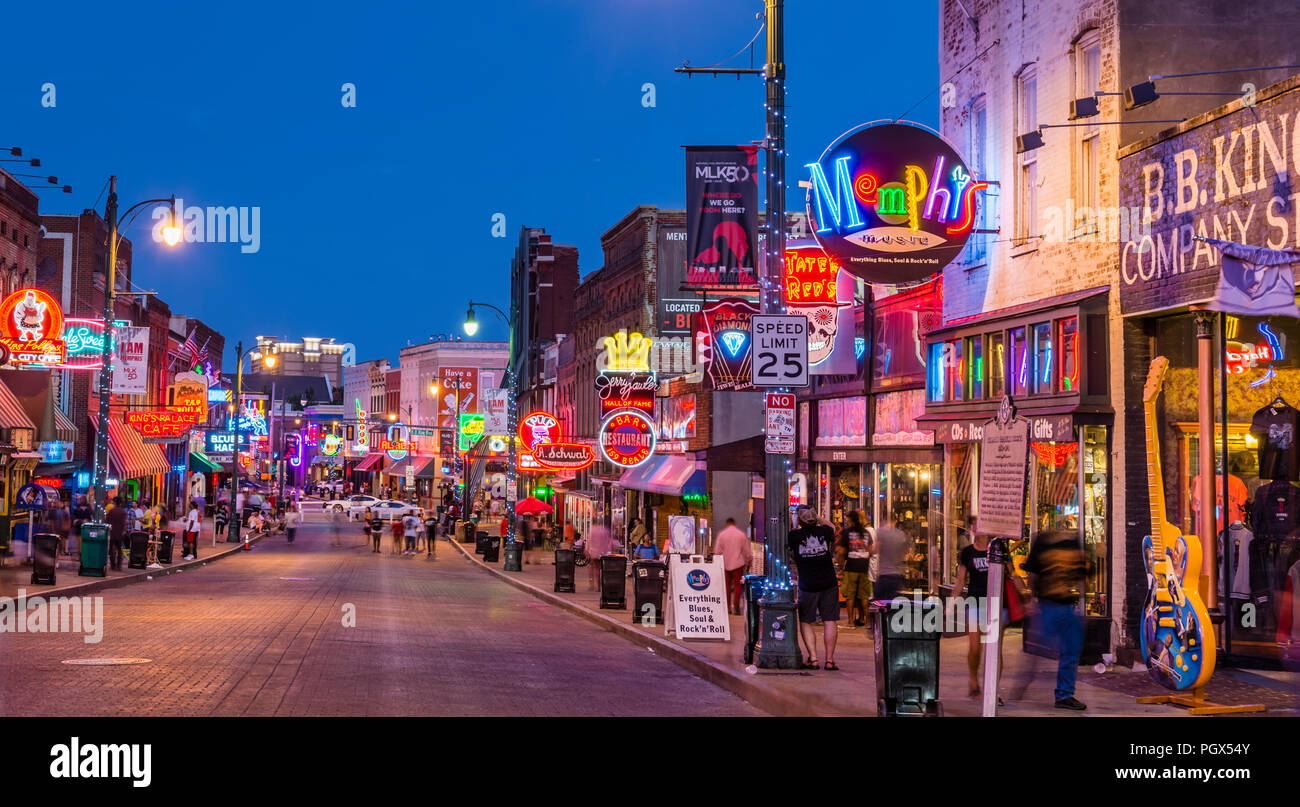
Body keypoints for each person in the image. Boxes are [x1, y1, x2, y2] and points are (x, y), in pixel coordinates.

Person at [1022, 530, 1095, 711]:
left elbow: (1083, 574)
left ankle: (1064, 695)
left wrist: (1084, 605)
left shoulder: (1075, 542)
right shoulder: (1043, 541)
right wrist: (1031, 599)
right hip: (1047, 605)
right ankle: (1026, 678)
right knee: (1039, 648)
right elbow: (1033, 573)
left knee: (1071, 650)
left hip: (1068, 606)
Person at [952, 531, 1007, 699]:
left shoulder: (999, 548)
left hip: (997, 602)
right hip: (975, 602)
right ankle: (973, 678)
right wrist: (953, 600)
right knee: (975, 646)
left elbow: (1011, 572)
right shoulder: (968, 552)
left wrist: (1024, 596)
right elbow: (961, 579)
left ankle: (993, 689)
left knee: (995, 648)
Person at [788, 507, 840, 670]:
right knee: (830, 620)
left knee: (806, 620)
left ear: (800, 521)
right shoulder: (824, 531)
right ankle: (830, 661)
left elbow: (790, 551)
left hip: (808, 584)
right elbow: (832, 526)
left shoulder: (794, 536)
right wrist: (818, 518)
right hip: (829, 583)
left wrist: (798, 520)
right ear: (815, 519)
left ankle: (813, 658)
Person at [836, 510, 874, 628]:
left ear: (851, 519)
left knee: (850, 595)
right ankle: (867, 622)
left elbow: (841, 551)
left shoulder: (847, 532)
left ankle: (851, 622)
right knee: (864, 596)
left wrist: (841, 567)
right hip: (864, 567)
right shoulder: (866, 533)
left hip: (851, 567)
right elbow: (870, 550)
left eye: (847, 518)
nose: (846, 520)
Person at [712, 517, 753, 615]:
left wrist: (716, 562)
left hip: (725, 563)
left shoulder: (722, 535)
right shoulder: (741, 534)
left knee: (726, 586)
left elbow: (717, 551)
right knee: (738, 585)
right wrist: (749, 560)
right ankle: (736, 606)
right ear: (734, 524)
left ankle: (728, 607)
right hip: (738, 564)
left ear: (727, 524)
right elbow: (747, 551)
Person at [871, 518, 910, 602]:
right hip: (897, 575)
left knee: (878, 603)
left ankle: (882, 615)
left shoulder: (880, 532)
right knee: (894, 604)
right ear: (895, 521)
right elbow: (904, 552)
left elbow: (874, 550)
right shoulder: (901, 534)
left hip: (884, 575)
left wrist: (866, 548)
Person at [585, 523, 612, 591]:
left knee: (591, 568)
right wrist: (607, 551)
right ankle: (599, 586)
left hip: (593, 552)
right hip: (602, 553)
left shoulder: (592, 530)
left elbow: (589, 540)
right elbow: (608, 542)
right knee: (599, 569)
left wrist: (586, 550)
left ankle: (592, 585)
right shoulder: (605, 530)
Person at [106, 496, 128, 571]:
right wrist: (123, 531)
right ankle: (119, 565)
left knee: (112, 550)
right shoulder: (123, 512)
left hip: (112, 533)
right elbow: (125, 522)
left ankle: (113, 565)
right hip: (120, 533)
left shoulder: (111, 511)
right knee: (119, 550)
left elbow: (107, 521)